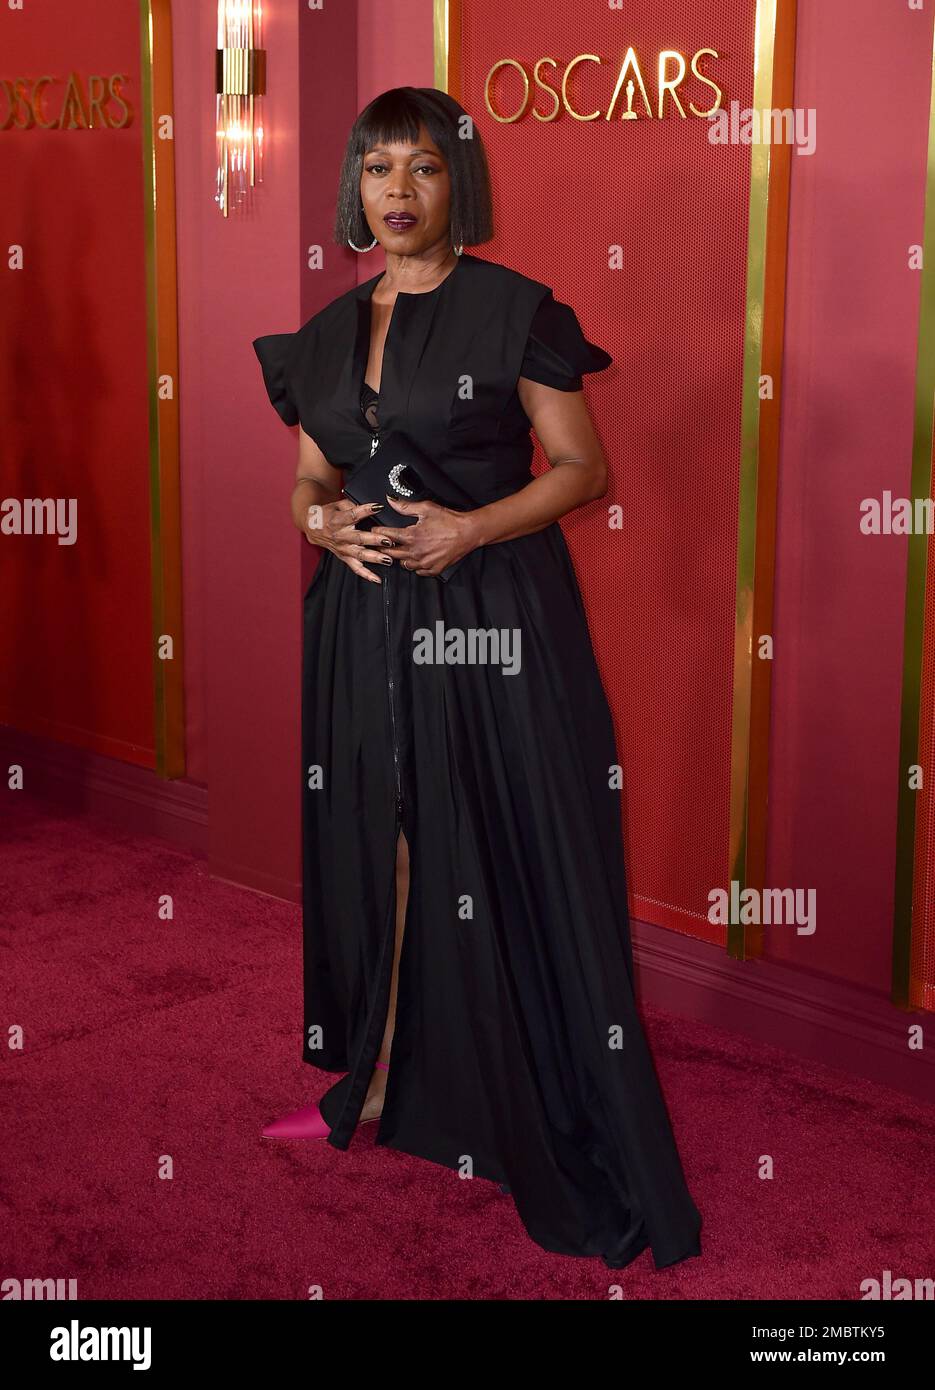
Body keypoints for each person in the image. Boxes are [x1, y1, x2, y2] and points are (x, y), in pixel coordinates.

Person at [253, 85, 702, 1271]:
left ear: (461, 185)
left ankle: (531, 1101)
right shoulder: (327, 331)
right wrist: (320, 526)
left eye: (422, 170)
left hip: (492, 618)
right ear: (353, 187)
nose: (395, 193)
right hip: (360, 621)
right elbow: (306, 476)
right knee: (382, 845)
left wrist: (468, 530)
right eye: (375, 170)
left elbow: (580, 470)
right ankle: (380, 1081)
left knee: (499, 849)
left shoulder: (517, 314)